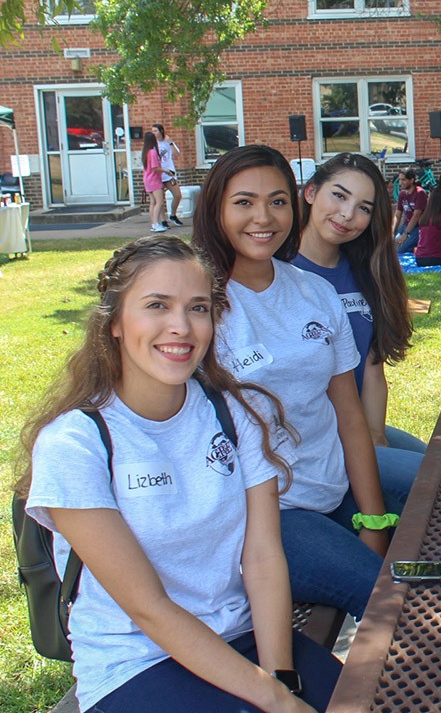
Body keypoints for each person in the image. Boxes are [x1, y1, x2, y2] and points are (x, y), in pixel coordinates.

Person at [19, 235, 341, 712]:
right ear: (114, 323)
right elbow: (148, 607)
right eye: (156, 305)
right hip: (136, 659)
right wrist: (271, 699)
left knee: (369, 698)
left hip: (240, 635)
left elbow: (263, 556)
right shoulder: (75, 444)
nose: (181, 327)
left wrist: (282, 679)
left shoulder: (237, 412)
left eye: (197, 308)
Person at [192, 144, 418, 619]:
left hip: (334, 484)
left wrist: (375, 521)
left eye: (277, 201)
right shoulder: (195, 302)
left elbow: (349, 416)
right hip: (269, 516)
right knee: (393, 604)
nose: (264, 217)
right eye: (244, 202)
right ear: (216, 207)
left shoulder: (314, 291)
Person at [294, 153, 426, 455]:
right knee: (428, 485)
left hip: (357, 425)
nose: (347, 214)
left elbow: (373, 367)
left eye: (363, 208)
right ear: (311, 192)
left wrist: (376, 437)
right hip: (312, 442)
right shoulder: (279, 272)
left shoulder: (366, 271)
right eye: (339, 196)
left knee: (439, 464)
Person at [152, 123, 184, 227]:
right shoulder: (153, 144)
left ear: (161, 131)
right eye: (152, 131)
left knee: (177, 195)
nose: (154, 133)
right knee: (160, 200)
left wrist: (170, 143)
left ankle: (173, 215)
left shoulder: (167, 142)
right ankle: (163, 220)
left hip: (169, 174)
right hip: (158, 175)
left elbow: (177, 154)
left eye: (155, 131)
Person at [394, 168, 427, 253]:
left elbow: (416, 216)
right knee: (390, 246)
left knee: (399, 250)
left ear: (411, 180)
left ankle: (419, 247)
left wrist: (405, 234)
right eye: (400, 179)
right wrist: (392, 231)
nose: (400, 182)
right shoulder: (402, 194)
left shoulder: (420, 193)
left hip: (417, 228)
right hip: (406, 226)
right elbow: (397, 215)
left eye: (403, 180)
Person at [142, 131, 167, 233]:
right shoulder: (152, 152)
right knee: (159, 202)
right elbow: (155, 167)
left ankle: (154, 223)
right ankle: (156, 223)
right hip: (154, 180)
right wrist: (166, 171)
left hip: (147, 179)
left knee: (152, 202)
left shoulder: (145, 152)